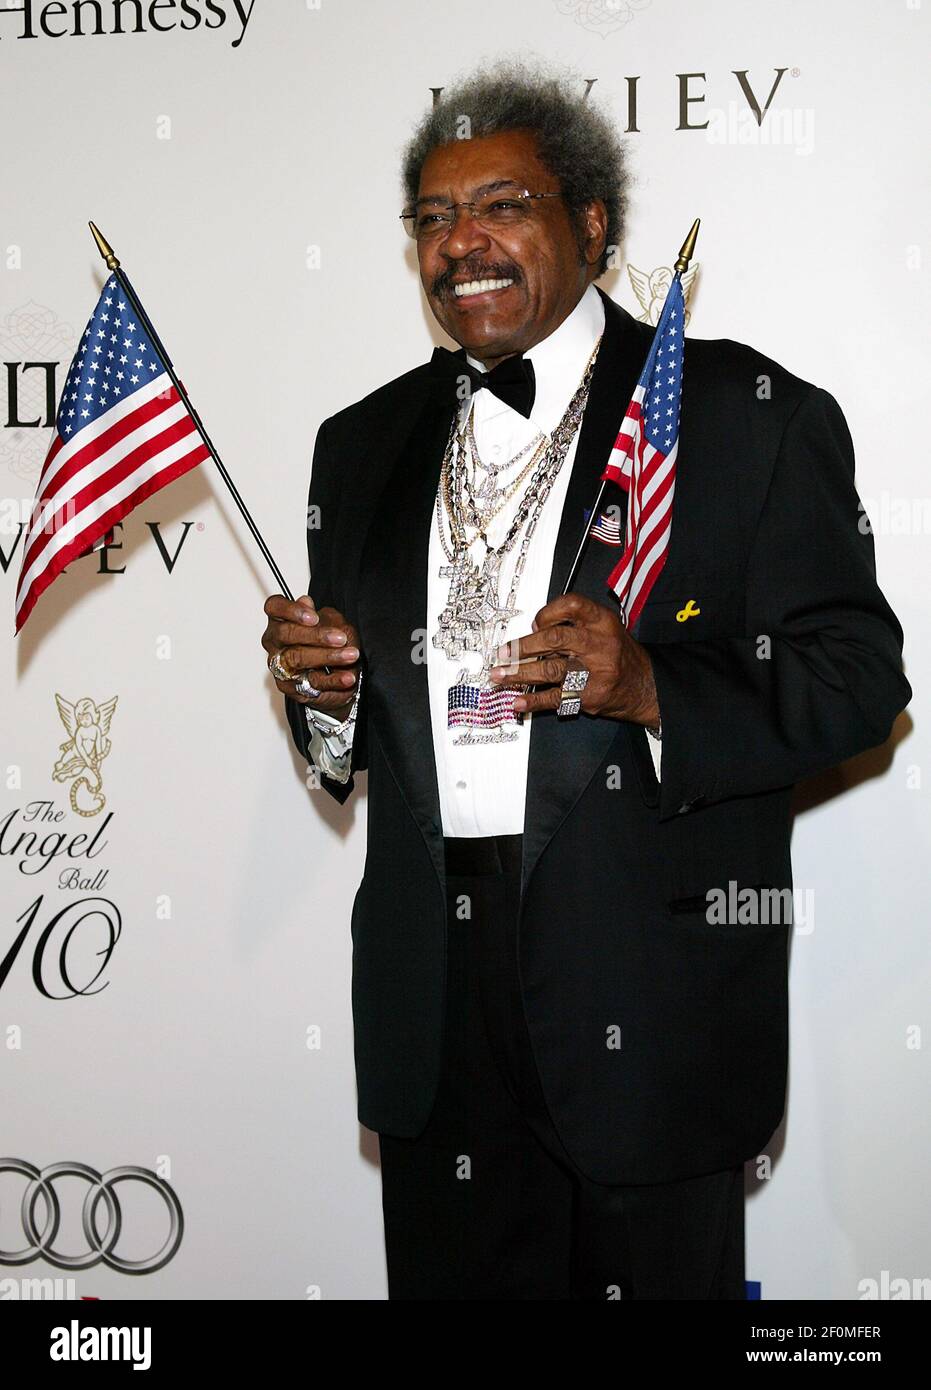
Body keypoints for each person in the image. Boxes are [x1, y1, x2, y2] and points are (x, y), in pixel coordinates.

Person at [260, 62, 911, 1300]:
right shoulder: (358, 445)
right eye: (434, 219)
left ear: (593, 222)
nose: (465, 243)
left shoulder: (742, 412)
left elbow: (857, 677)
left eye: (502, 203)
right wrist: (328, 701)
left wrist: (655, 686)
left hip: (648, 1000)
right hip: (433, 1006)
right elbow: (354, 748)